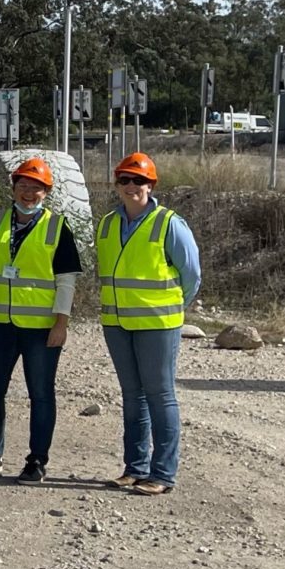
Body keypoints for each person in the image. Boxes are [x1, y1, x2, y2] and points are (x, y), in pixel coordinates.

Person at [0, 156, 81, 483]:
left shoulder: (56, 227)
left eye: (36, 187)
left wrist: (61, 323)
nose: (28, 193)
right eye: (23, 186)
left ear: (46, 192)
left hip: (40, 329)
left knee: (41, 394)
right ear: (13, 188)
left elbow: (66, 280)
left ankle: (37, 462)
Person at [96, 153, 201, 496]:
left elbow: (191, 275)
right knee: (132, 397)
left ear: (151, 185)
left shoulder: (168, 223)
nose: (131, 186)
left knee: (160, 396)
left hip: (158, 324)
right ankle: (135, 468)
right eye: (125, 180)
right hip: (116, 322)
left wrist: (172, 307)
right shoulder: (108, 223)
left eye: (139, 180)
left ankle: (163, 474)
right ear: (117, 185)